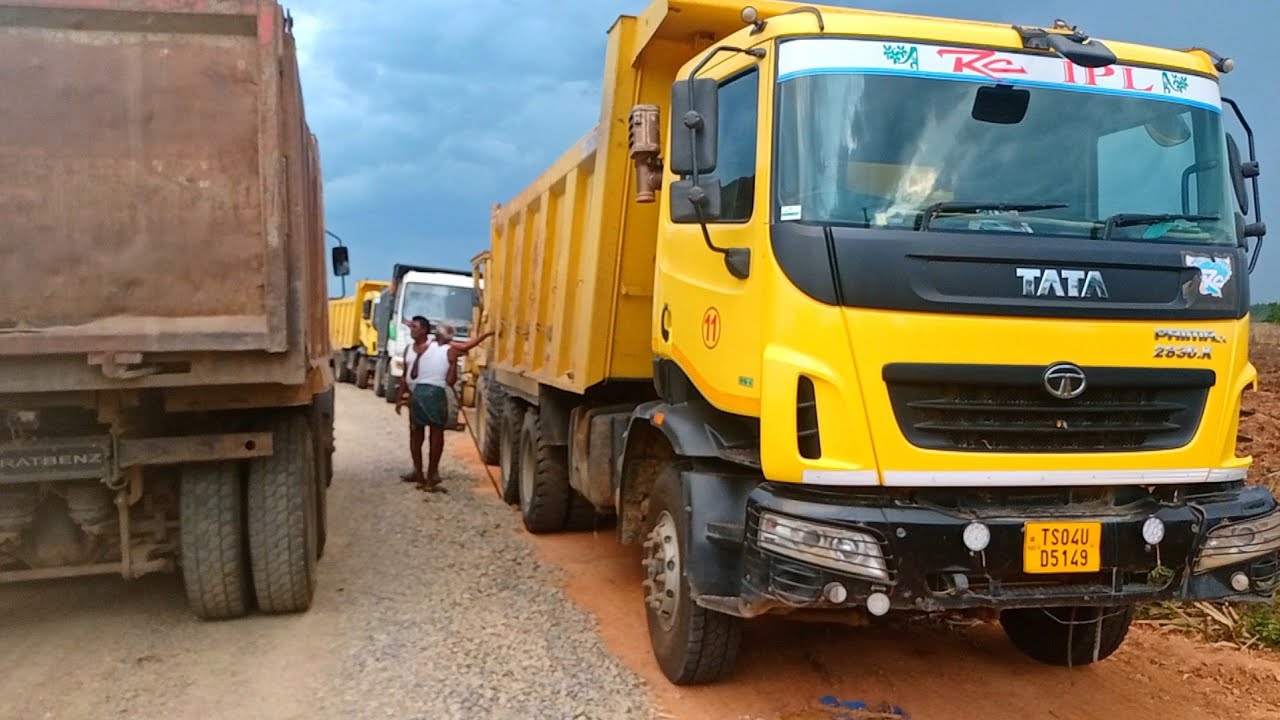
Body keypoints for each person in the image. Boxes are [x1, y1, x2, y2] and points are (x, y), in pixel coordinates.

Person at [395, 317, 494, 492]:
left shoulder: (422, 348)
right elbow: (451, 377)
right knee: (436, 435)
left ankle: (419, 476)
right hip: (435, 394)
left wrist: (402, 397)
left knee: (416, 435)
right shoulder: (450, 350)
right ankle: (431, 478)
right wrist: (486, 335)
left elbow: (413, 373)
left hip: (418, 393)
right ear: (449, 338)